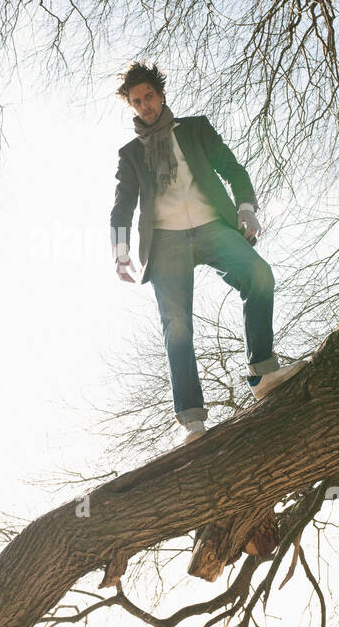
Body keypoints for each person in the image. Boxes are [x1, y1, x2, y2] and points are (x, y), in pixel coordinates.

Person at [108, 61, 304, 445]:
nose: (145, 105)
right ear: (132, 107)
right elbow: (122, 205)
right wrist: (120, 249)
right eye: (137, 101)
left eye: (149, 96)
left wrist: (246, 209)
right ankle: (193, 421)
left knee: (259, 275)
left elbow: (232, 168)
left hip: (213, 226)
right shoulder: (131, 154)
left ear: (161, 95)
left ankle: (263, 371)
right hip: (165, 240)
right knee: (177, 326)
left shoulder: (196, 128)